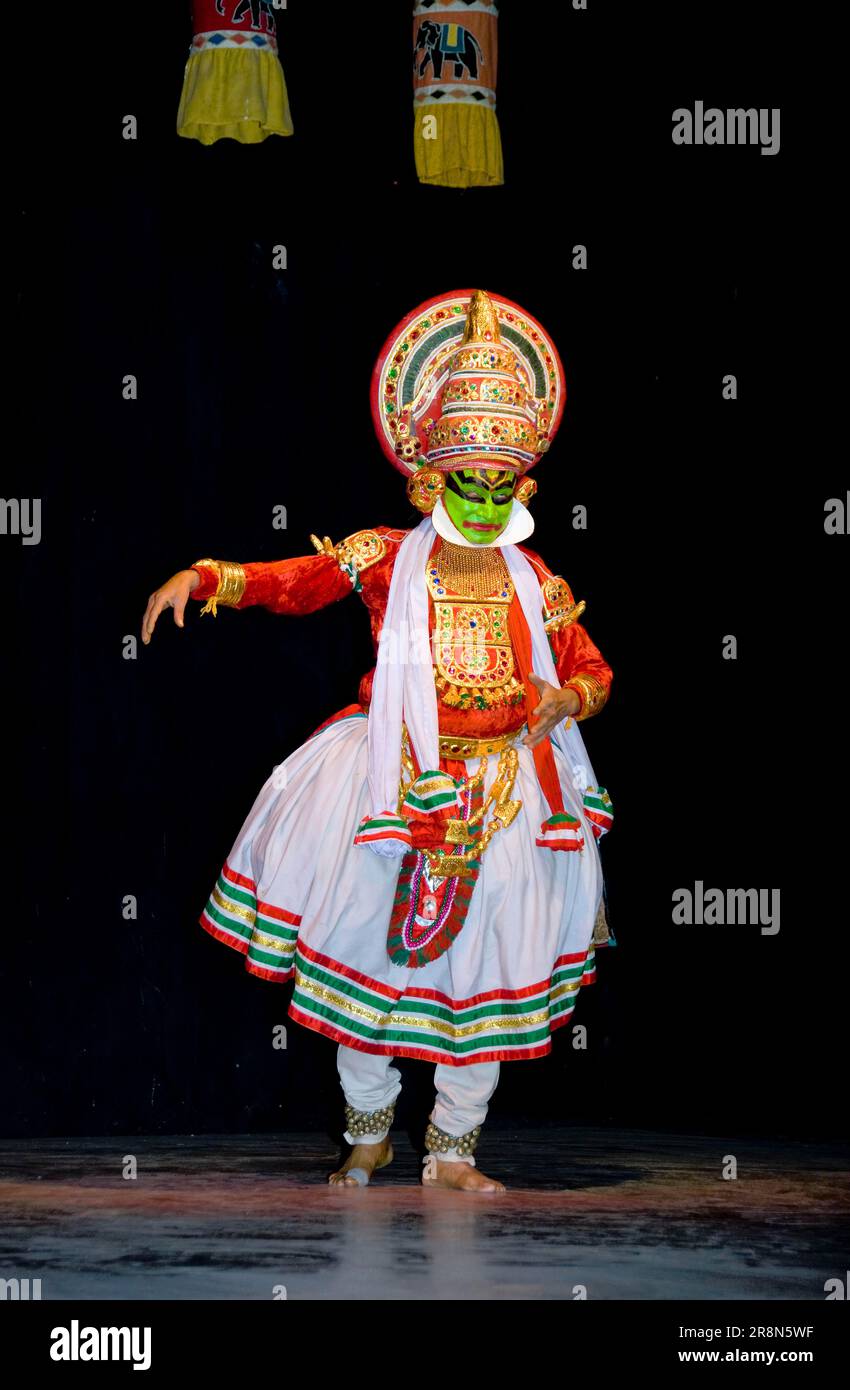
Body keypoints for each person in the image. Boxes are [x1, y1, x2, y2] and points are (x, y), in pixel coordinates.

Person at [142, 290, 614, 1193]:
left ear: (525, 484)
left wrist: (571, 697)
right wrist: (206, 577)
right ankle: (369, 1136)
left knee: (491, 961)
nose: (481, 500)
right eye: (463, 483)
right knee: (364, 949)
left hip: (511, 793)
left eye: (499, 484)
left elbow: (591, 666)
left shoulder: (538, 578)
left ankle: (452, 1151)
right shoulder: (386, 556)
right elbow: (296, 580)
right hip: (391, 786)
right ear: (428, 480)